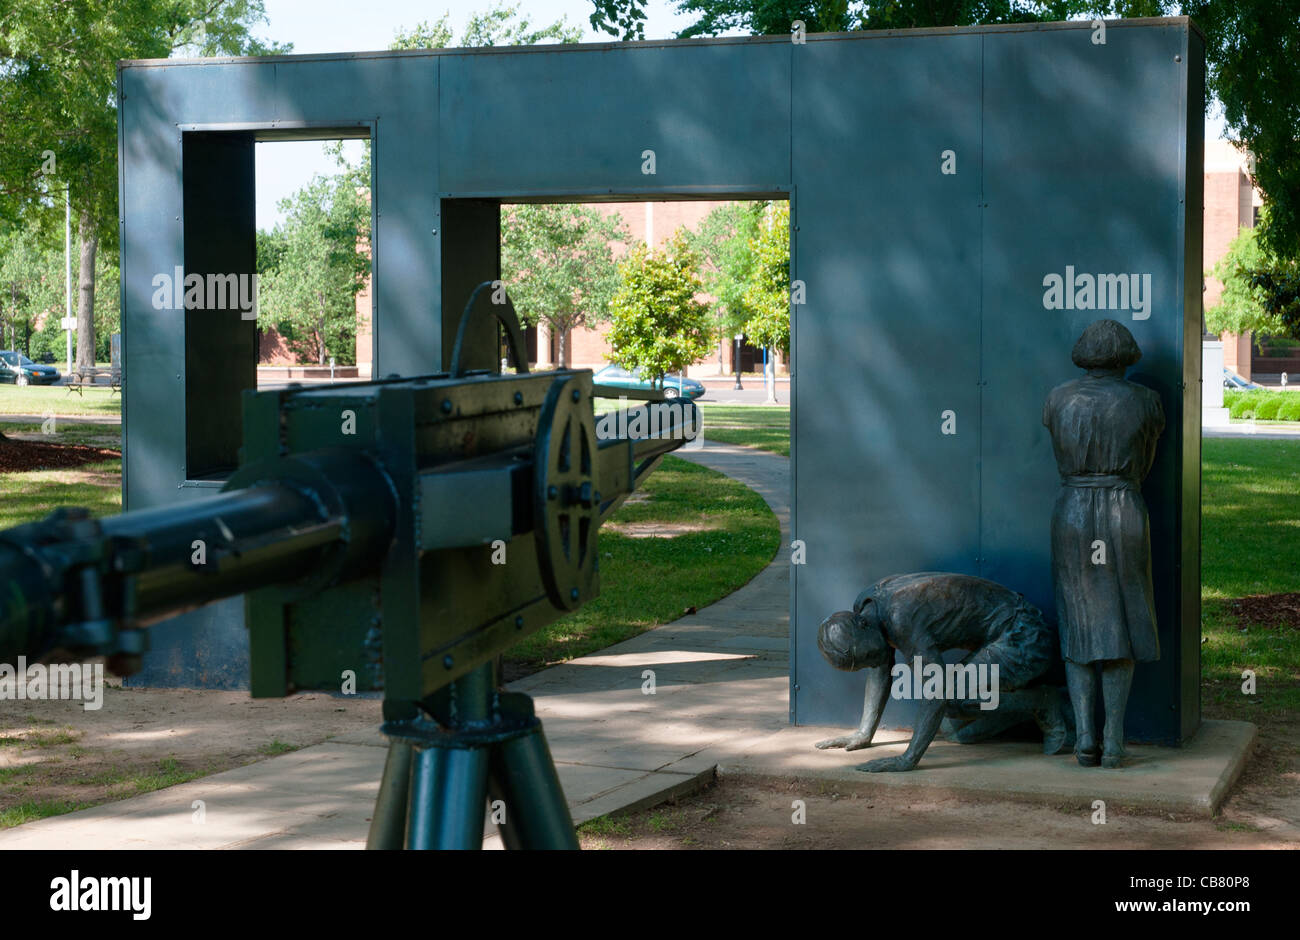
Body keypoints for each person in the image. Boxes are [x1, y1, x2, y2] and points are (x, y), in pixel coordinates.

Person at [1043, 319, 1165, 768]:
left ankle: (1085, 739)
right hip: (1124, 508)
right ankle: (1114, 740)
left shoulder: (1058, 399)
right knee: (1122, 623)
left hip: (1072, 511)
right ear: (1125, 354)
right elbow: (1146, 461)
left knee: (1079, 628)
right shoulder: (1146, 402)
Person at [815, 572, 1069, 773]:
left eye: (869, 655)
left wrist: (908, 759)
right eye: (864, 662)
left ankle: (1043, 701)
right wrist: (864, 733)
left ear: (862, 624)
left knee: (952, 700)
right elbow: (881, 665)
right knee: (954, 729)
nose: (873, 662)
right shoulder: (867, 608)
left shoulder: (900, 617)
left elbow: (937, 692)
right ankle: (1034, 703)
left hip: (1025, 637)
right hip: (1002, 636)